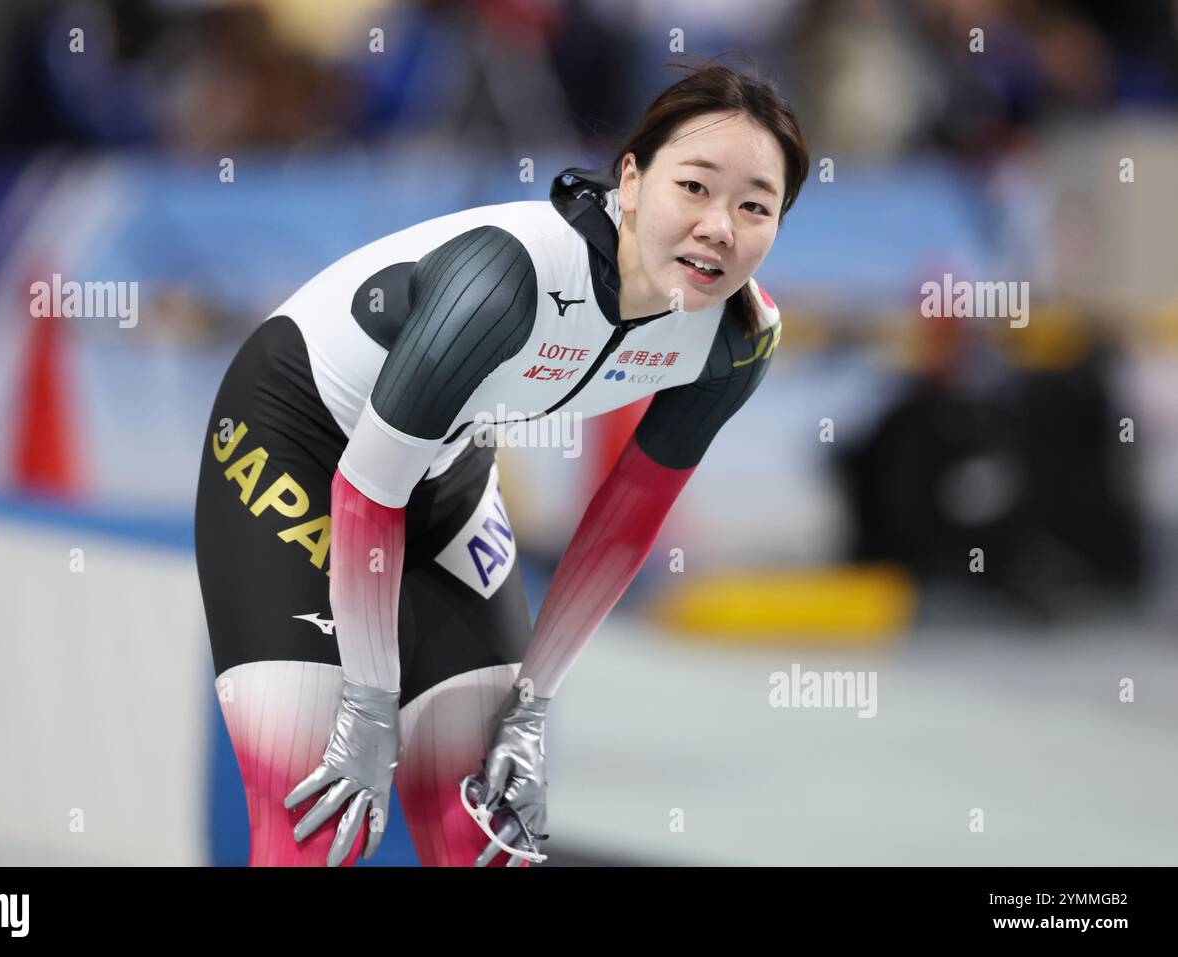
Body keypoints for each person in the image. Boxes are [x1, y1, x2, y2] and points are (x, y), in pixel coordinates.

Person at [194, 59, 808, 866]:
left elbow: (621, 527)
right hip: (299, 436)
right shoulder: (506, 278)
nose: (720, 227)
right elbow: (367, 492)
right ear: (631, 180)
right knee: (318, 829)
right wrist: (371, 705)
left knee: (486, 838)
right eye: (694, 187)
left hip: (443, 467)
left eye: (754, 206)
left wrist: (533, 704)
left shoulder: (737, 337)